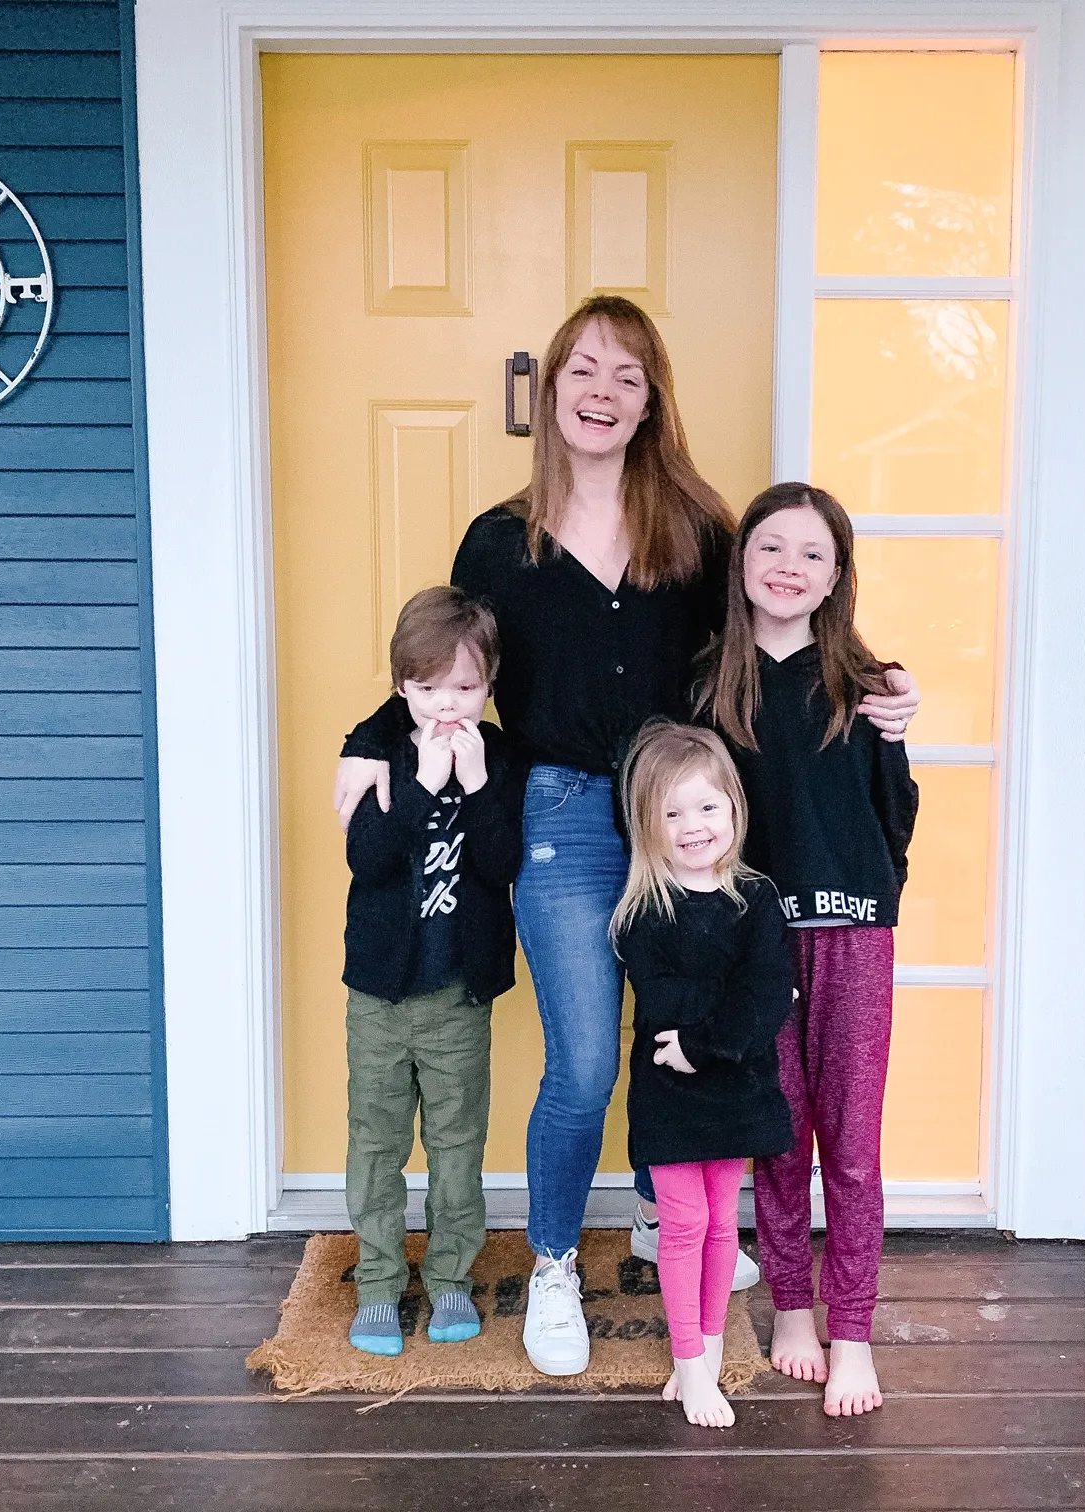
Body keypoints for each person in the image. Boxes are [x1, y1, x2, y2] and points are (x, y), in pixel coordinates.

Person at [332, 295, 920, 1376]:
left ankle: (660, 1212)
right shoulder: (500, 543)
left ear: (652, 403)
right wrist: (371, 737)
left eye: (628, 379)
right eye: (585, 372)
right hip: (560, 813)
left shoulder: (697, 530)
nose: (603, 395)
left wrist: (882, 689)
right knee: (587, 1059)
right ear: (552, 389)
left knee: (688, 1022)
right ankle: (556, 1262)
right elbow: (445, 665)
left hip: (681, 814)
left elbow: (779, 627)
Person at [696, 482, 919, 1417]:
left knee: (853, 1147)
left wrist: (867, 896)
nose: (789, 567)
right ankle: (792, 1308)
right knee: (778, 1138)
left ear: (836, 579)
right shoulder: (708, 680)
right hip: (753, 941)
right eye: (772, 548)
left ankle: (854, 1328)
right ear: (742, 561)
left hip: (853, 935)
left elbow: (893, 816)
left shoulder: (869, 690)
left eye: (812, 555)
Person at [339, 587, 523, 1357]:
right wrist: (419, 783)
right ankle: (379, 1281)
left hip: (457, 994)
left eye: (466, 688)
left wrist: (476, 787)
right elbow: (369, 859)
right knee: (376, 1143)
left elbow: (505, 863)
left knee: (456, 1147)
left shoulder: (500, 755)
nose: (447, 706)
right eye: (427, 689)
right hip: (379, 995)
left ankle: (451, 1276)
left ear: (489, 684)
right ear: (400, 685)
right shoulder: (376, 746)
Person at [611, 722, 793, 1428]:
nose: (693, 827)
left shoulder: (756, 899)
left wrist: (705, 1038)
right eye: (673, 813)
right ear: (648, 823)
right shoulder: (643, 909)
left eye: (707, 808)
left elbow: (767, 996)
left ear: (734, 810)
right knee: (683, 1225)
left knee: (723, 1224)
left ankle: (705, 1359)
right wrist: (723, 1020)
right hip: (671, 1094)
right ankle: (690, 1366)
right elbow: (665, 999)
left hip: (732, 1086)